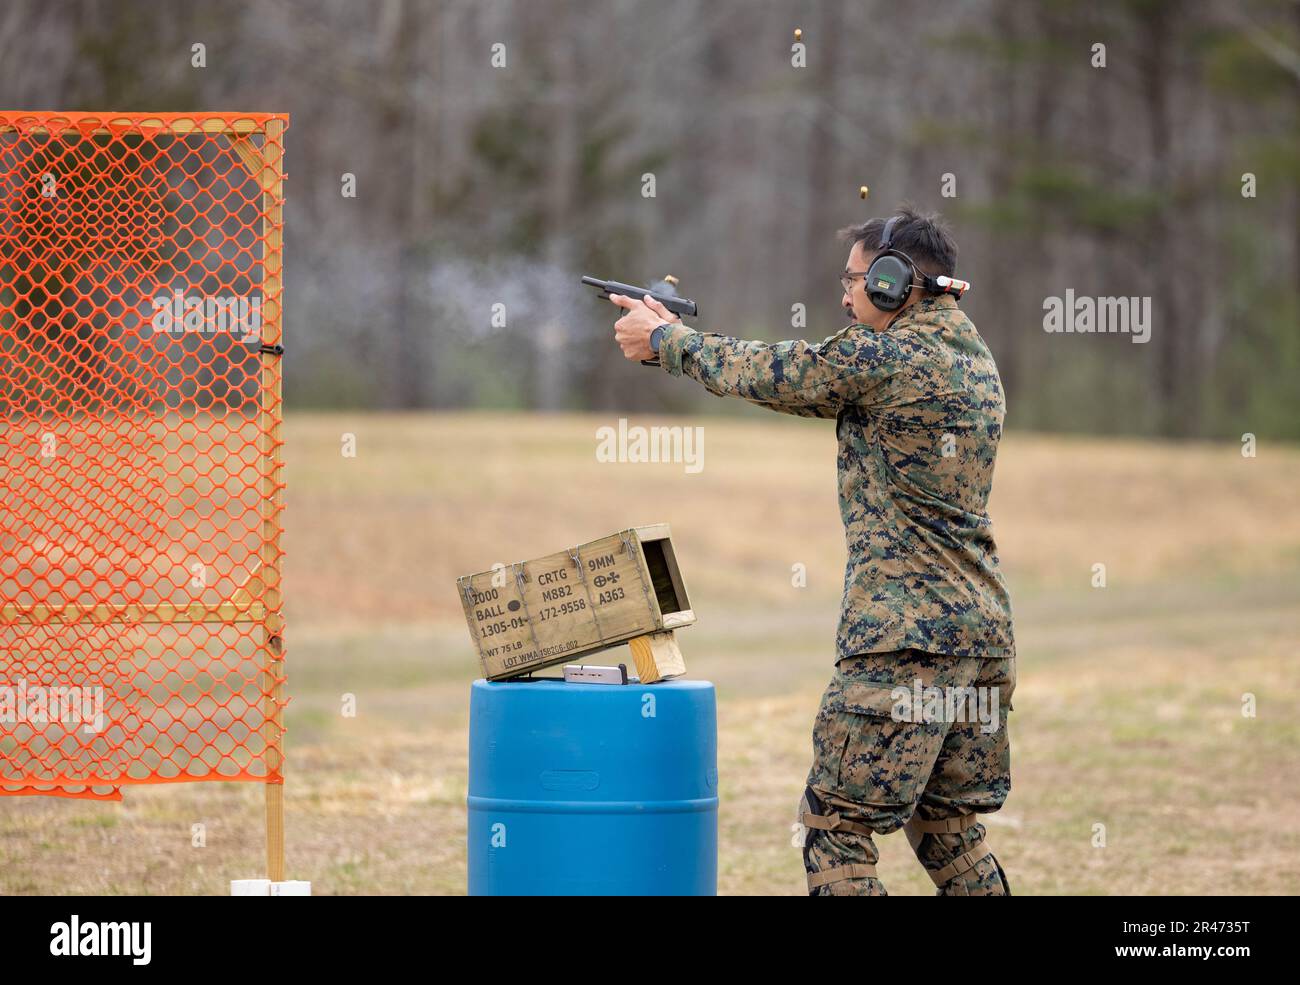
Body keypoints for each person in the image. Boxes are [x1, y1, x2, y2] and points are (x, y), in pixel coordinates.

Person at [608, 205, 1016, 895]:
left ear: (895, 284)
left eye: (855, 280)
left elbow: (780, 371)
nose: (845, 295)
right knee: (948, 834)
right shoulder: (973, 358)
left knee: (836, 838)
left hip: (902, 642)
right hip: (981, 638)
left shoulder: (885, 357)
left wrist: (670, 340)